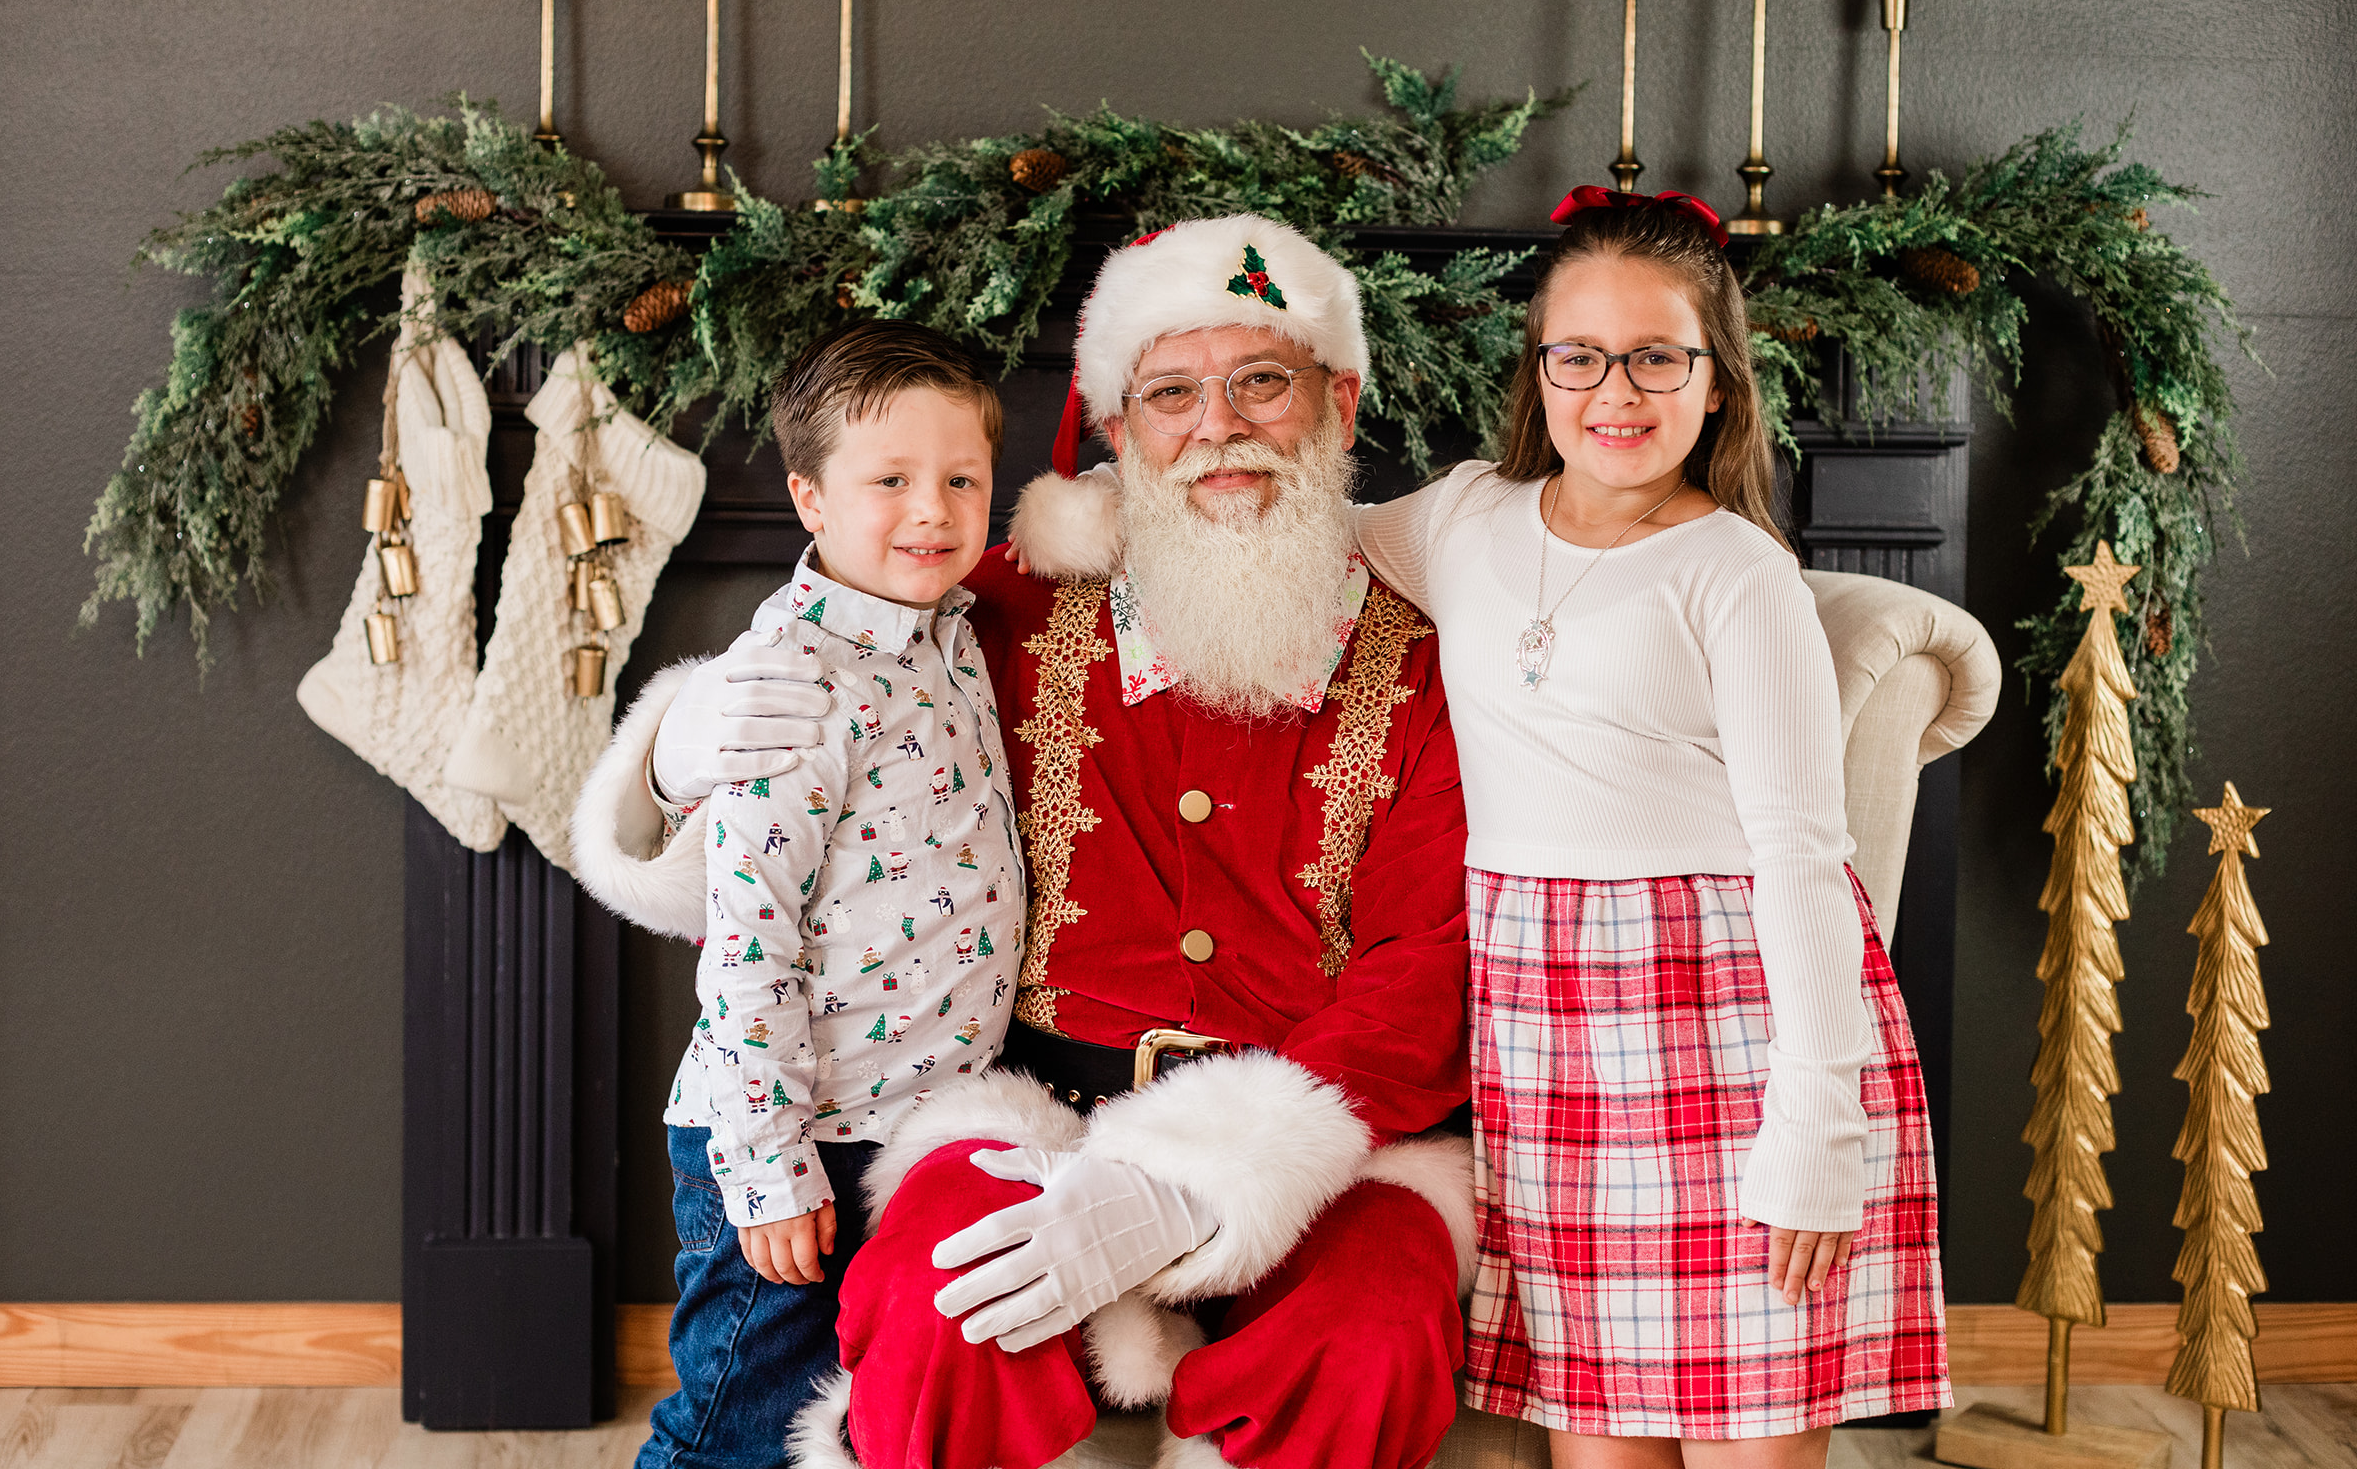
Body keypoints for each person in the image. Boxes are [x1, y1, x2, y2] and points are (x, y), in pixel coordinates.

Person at [573, 216, 1476, 1469]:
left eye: (1262, 380)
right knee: (937, 1301)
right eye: (1171, 393)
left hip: (1318, 1138)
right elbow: (811, 766)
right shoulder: (992, 609)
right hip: (1033, 1110)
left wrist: (1197, 1176)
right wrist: (675, 755)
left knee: (1372, 1328)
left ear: (1340, 400)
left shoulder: (1429, 662)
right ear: (1118, 427)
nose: (1217, 424)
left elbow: (1426, 972)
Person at [1351, 188, 1952, 1465]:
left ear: (1716, 380)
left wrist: (1816, 1125)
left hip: (1730, 1032)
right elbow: (1289, 529)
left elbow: (1803, 856)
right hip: (1548, 1042)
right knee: (1600, 1443)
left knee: (1751, 1431)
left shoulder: (1736, 574)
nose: (1614, 392)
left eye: (1656, 358)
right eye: (1579, 355)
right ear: (1539, 369)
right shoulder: (1461, 519)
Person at [602, 320, 1028, 1469]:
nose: (932, 510)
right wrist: (768, 1166)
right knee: (731, 1434)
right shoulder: (792, 687)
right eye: (890, 481)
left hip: (903, 1127)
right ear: (810, 497)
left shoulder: (949, 635)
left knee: (831, 1432)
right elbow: (749, 946)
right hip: (796, 1135)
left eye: (961, 479)